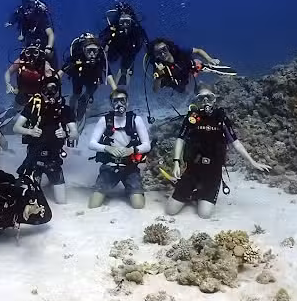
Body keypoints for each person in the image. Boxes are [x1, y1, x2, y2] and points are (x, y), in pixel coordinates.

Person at [165, 87, 271, 219]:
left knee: (204, 214)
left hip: (213, 171)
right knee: (170, 211)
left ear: (214, 100)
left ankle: (198, 194)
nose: (205, 101)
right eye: (201, 98)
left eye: (209, 98)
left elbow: (235, 142)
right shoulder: (192, 118)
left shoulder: (221, 119)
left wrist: (252, 161)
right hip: (193, 169)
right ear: (197, 101)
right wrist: (176, 162)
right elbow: (180, 139)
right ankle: (185, 189)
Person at [12, 77, 78, 204]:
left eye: (53, 88)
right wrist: (30, 131)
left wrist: (66, 134)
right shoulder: (33, 107)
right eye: (46, 89)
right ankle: (40, 181)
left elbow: (75, 134)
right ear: (41, 91)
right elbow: (16, 127)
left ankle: (48, 181)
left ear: (58, 90)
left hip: (54, 159)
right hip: (34, 157)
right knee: (30, 196)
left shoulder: (65, 109)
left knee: (61, 200)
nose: (50, 92)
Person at [86, 88, 151, 209]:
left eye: (122, 100)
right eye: (115, 101)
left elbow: (147, 145)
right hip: (109, 167)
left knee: (138, 205)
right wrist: (107, 148)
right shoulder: (104, 120)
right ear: (111, 103)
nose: (119, 104)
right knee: (93, 204)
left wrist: (132, 150)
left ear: (128, 102)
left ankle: (130, 190)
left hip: (130, 167)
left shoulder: (136, 120)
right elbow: (91, 144)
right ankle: (107, 189)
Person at [59, 32, 117, 123]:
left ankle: (80, 116)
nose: (92, 54)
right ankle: (71, 112)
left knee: (85, 97)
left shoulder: (101, 57)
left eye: (95, 50)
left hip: (93, 79)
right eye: (89, 50)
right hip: (79, 77)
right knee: (76, 95)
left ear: (98, 50)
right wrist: (52, 80)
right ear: (83, 49)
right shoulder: (77, 56)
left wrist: (115, 90)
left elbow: (108, 73)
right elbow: (62, 71)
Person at [146, 38, 227, 93]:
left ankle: (203, 67)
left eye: (164, 49)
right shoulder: (159, 68)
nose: (163, 54)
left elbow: (198, 51)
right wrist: (158, 78)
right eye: (158, 53)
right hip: (179, 81)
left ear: (168, 47)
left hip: (189, 68)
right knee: (182, 91)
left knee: (195, 64)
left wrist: (210, 59)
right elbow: (155, 90)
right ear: (155, 56)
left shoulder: (178, 51)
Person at [99, 3, 148, 86]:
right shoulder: (113, 26)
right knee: (111, 59)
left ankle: (125, 71)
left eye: (127, 22)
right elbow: (102, 37)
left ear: (131, 21)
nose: (125, 25)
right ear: (119, 21)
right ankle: (124, 71)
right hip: (116, 48)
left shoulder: (135, 27)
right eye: (122, 22)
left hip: (130, 50)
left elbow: (144, 40)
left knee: (126, 66)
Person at [5, 0, 57, 67]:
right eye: (26, 5)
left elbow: (50, 33)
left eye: (31, 4)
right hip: (29, 47)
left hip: (44, 46)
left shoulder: (41, 14)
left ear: (35, 4)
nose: (28, 8)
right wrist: (10, 23)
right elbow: (13, 19)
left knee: (52, 65)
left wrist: (49, 47)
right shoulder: (20, 14)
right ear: (23, 6)